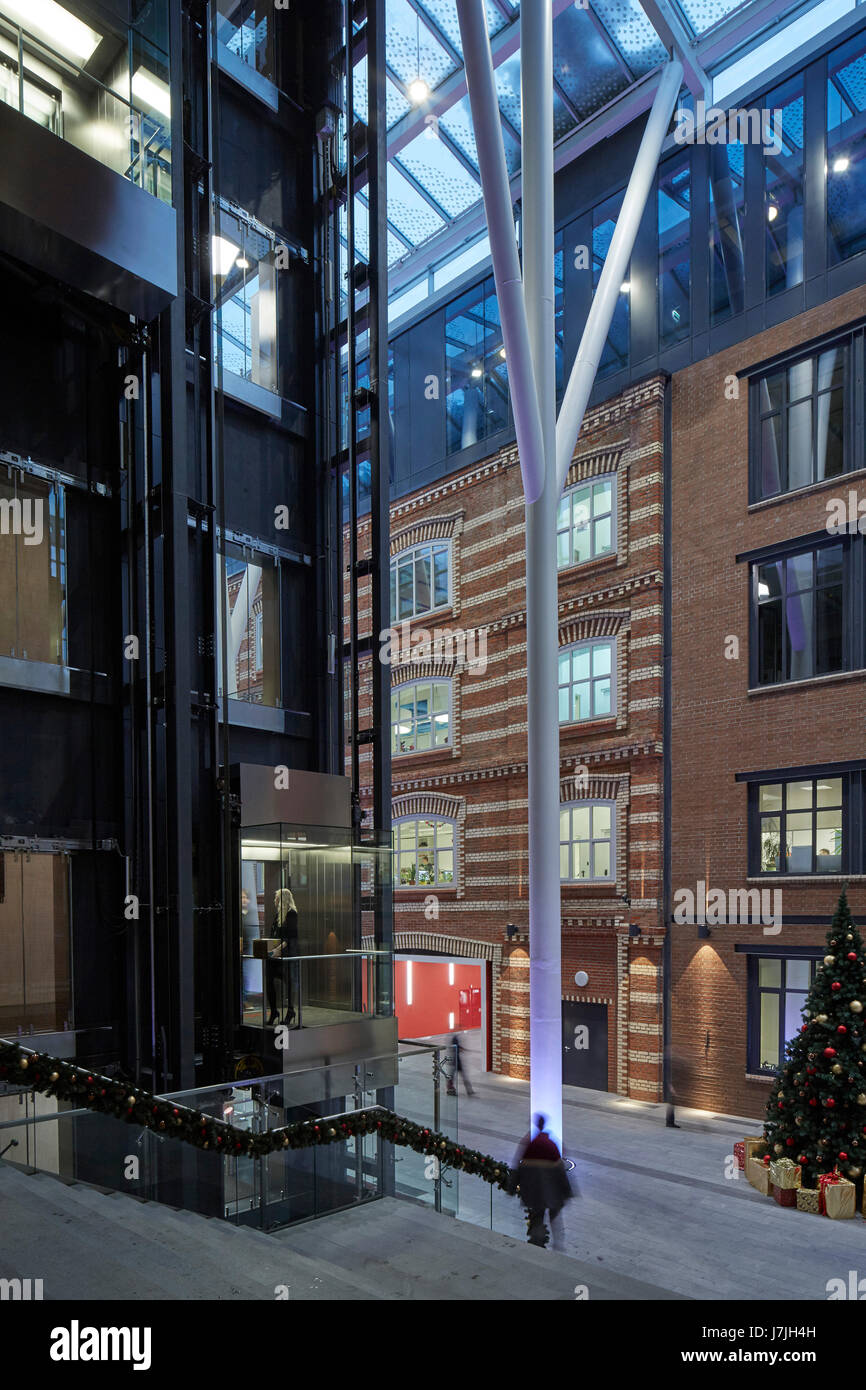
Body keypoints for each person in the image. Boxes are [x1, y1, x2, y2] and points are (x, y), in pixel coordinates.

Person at [512, 1114, 573, 1250]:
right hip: (552, 1191)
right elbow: (561, 1172)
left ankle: (537, 1243)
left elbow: (518, 1167)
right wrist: (567, 1192)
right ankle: (558, 1243)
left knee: (538, 1216)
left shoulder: (530, 1144)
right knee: (554, 1216)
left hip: (535, 1191)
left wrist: (512, 1187)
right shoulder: (552, 1145)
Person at [266, 887, 299, 1027]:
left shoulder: (291, 914)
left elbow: (289, 938)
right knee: (269, 981)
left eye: (277, 898)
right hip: (275, 954)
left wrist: (277, 950)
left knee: (289, 983)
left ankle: (290, 1011)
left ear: (283, 899)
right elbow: (274, 936)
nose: (275, 901)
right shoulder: (278, 915)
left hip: (286, 954)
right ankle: (274, 1011)